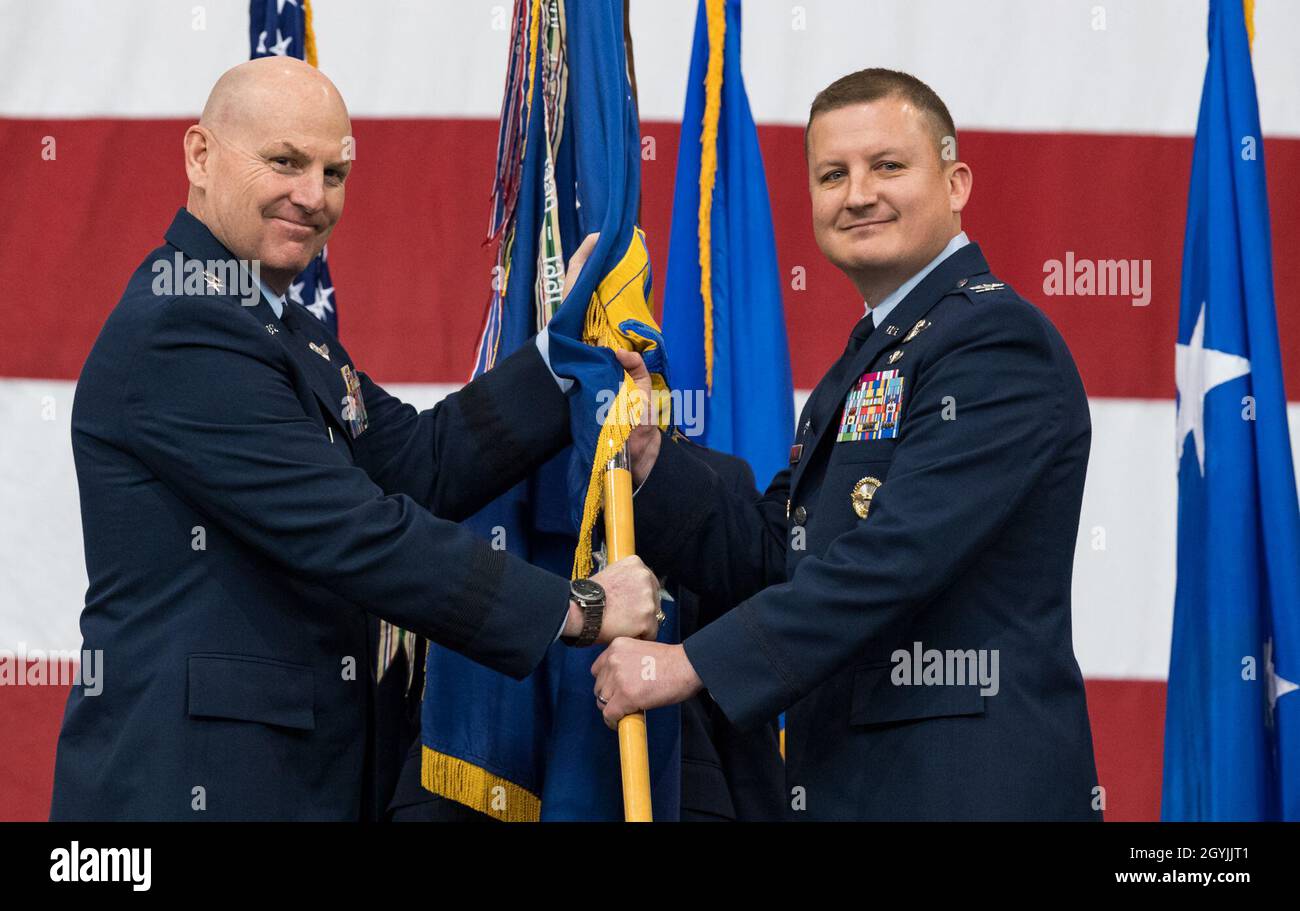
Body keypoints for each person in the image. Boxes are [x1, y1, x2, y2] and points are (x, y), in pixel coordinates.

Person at [51, 56, 660, 821]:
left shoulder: (278, 326)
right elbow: (357, 531)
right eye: (284, 162)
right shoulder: (181, 329)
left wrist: (562, 356)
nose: (312, 196)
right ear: (199, 155)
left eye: (333, 172)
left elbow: (418, 463)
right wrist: (576, 609)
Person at [591, 68, 1102, 820]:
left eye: (888, 165)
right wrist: (647, 455)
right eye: (833, 174)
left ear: (956, 182)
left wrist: (688, 663)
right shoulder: (878, 350)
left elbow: (892, 560)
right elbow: (781, 553)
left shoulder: (996, 342)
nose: (858, 193)